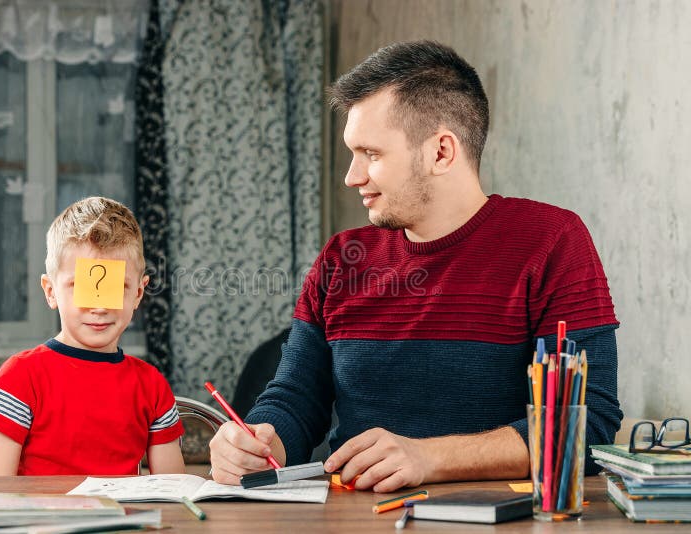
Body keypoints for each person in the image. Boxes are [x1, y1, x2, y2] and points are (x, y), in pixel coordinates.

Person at [209, 40, 622, 492]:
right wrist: (256, 441)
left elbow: (589, 426)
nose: (352, 176)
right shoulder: (340, 257)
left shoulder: (552, 240)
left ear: (441, 152)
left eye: (371, 154)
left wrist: (430, 458)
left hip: (500, 519)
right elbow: (295, 400)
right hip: (354, 517)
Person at [0, 196, 185, 475]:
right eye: (81, 286)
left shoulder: (152, 386)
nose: (99, 306)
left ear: (138, 294)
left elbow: (173, 490)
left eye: (116, 287)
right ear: (50, 291)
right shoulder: (19, 378)